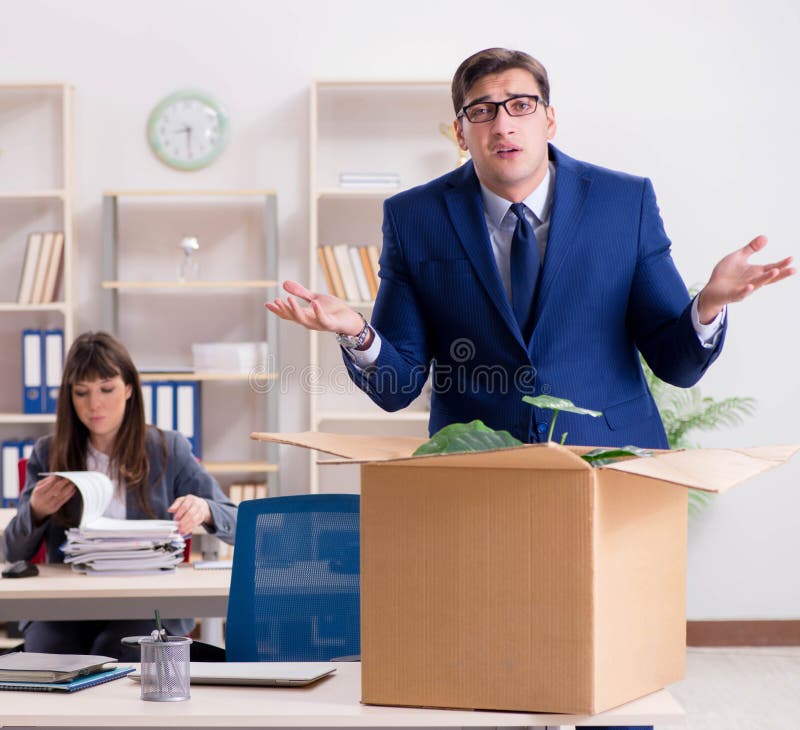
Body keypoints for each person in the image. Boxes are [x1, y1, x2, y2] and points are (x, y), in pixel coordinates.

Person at [267, 47, 794, 451]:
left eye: (521, 106)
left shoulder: (624, 202)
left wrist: (708, 305)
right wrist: (355, 331)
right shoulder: (414, 217)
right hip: (480, 468)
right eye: (483, 111)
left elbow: (675, 365)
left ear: (549, 120)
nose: (503, 124)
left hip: (615, 463)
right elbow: (397, 386)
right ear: (460, 132)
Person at [2, 331, 237, 661]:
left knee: (115, 651)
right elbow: (13, 551)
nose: (94, 404)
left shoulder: (168, 448)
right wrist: (37, 511)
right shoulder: (49, 453)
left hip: (144, 598)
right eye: (81, 393)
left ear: (128, 388)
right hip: (69, 602)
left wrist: (205, 509)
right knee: (51, 654)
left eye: (106, 389)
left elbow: (238, 522)